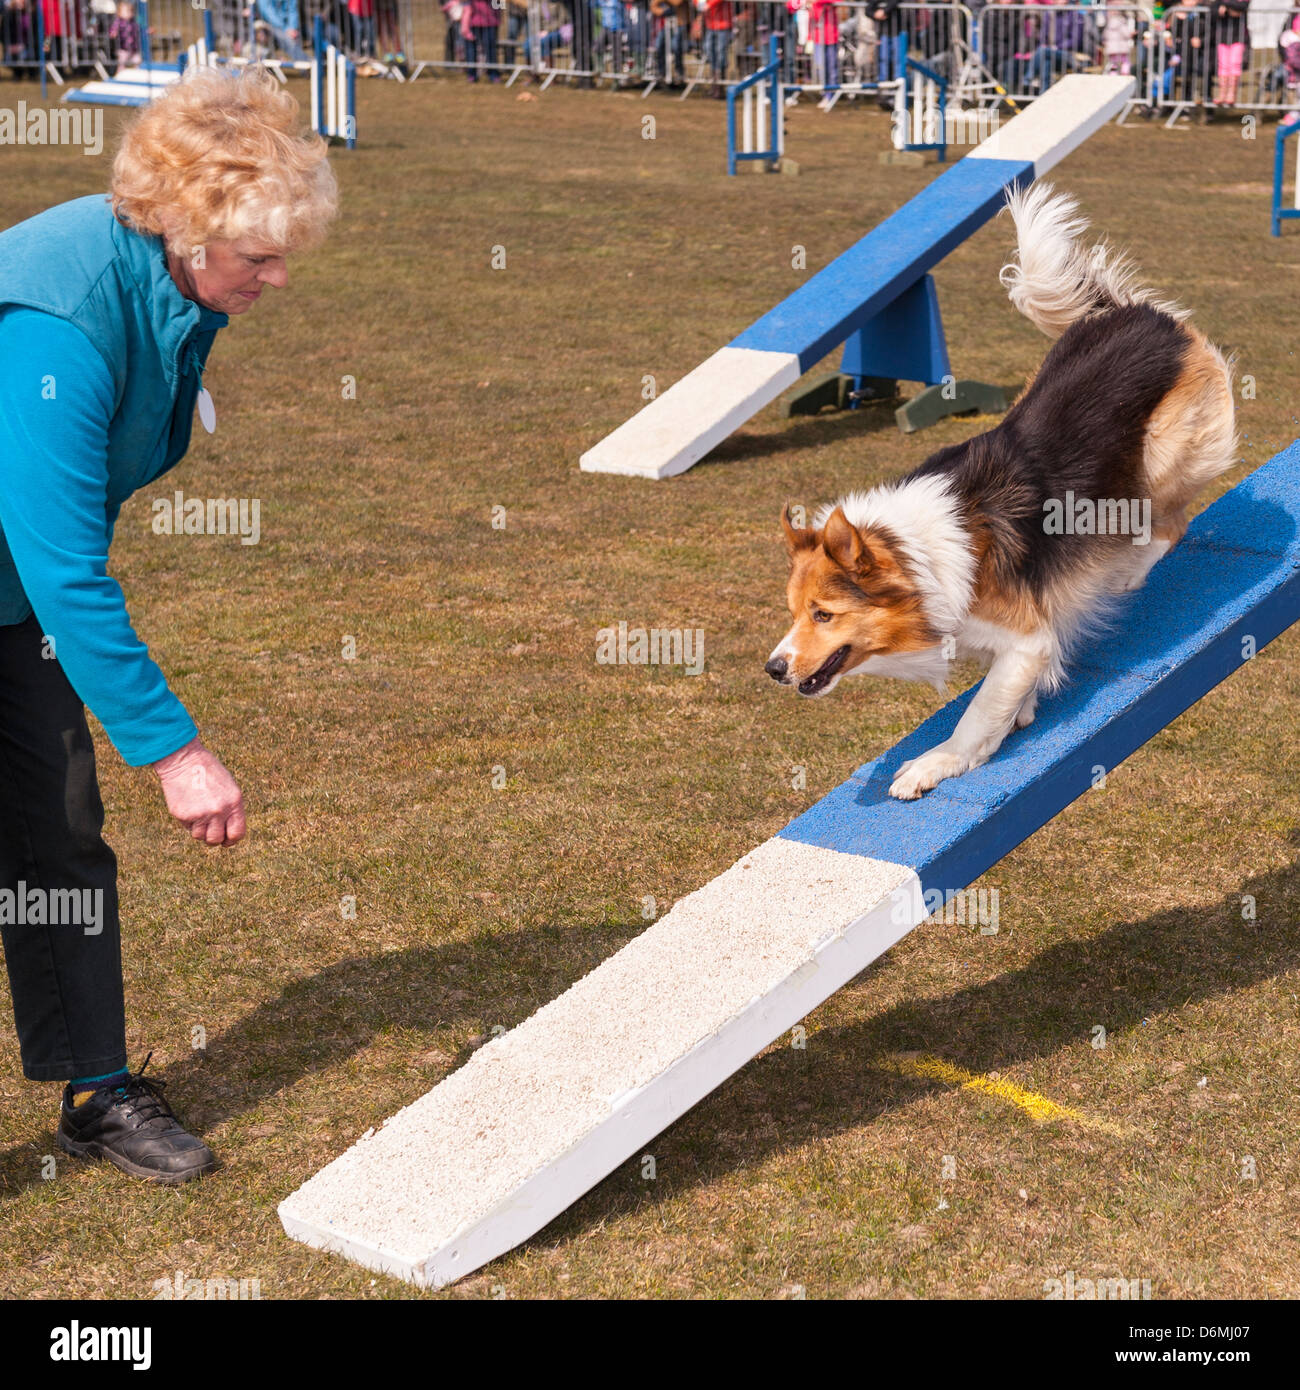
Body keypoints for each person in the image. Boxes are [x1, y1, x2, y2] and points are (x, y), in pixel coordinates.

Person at [0, 67, 336, 1185]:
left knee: (55, 829)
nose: (279, 279)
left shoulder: (179, 279)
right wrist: (175, 750)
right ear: (187, 229)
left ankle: (96, 1093)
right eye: (261, 259)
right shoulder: (57, 317)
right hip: (29, 582)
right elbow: (65, 569)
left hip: (13, 598)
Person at [1211, 0, 1249, 109]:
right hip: (1222, 38)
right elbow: (1213, 9)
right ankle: (1222, 94)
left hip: (1239, 37)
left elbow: (1242, 7)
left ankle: (1231, 94)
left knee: (1234, 65)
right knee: (1222, 66)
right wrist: (1230, 9)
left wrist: (1225, 7)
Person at [108, 0, 142, 73]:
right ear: (119, 13)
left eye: (131, 11)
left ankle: (138, 74)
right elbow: (113, 29)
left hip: (134, 48)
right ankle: (120, 74)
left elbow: (140, 29)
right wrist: (113, 32)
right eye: (127, 11)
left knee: (138, 61)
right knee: (122, 63)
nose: (129, 13)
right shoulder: (118, 22)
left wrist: (147, 31)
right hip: (123, 48)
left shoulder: (134, 22)